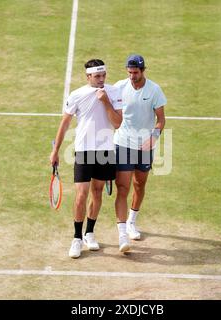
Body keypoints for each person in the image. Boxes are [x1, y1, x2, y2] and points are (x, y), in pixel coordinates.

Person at [50, 59, 129, 259]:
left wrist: (105, 101)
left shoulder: (113, 93)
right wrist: (56, 150)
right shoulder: (76, 95)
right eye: (97, 76)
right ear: (88, 77)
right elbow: (65, 123)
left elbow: (118, 123)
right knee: (81, 195)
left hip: (105, 151)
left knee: (97, 193)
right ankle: (76, 238)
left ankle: (89, 233)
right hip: (84, 150)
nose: (101, 79)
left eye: (103, 75)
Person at [114, 54, 167, 241]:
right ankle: (122, 231)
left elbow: (161, 120)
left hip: (145, 146)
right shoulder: (119, 87)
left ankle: (131, 221)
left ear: (143, 70)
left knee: (139, 184)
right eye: (129, 72)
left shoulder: (154, 90)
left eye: (135, 72)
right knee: (123, 187)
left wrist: (154, 137)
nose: (132, 76)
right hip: (123, 142)